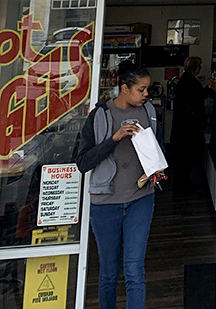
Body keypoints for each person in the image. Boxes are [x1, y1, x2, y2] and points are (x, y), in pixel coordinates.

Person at [75, 62, 159, 309]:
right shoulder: (100, 115)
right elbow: (83, 162)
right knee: (109, 273)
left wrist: (158, 168)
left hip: (141, 199)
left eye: (147, 89)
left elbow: (158, 151)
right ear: (125, 89)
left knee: (134, 270)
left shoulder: (150, 112)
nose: (146, 94)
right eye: (141, 89)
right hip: (105, 204)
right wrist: (115, 138)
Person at [170, 56, 209, 189]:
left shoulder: (183, 80)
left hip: (182, 125)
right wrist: (208, 89)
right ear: (196, 68)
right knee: (188, 154)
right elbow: (198, 98)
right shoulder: (191, 82)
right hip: (190, 125)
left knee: (183, 155)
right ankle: (186, 182)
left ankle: (181, 181)